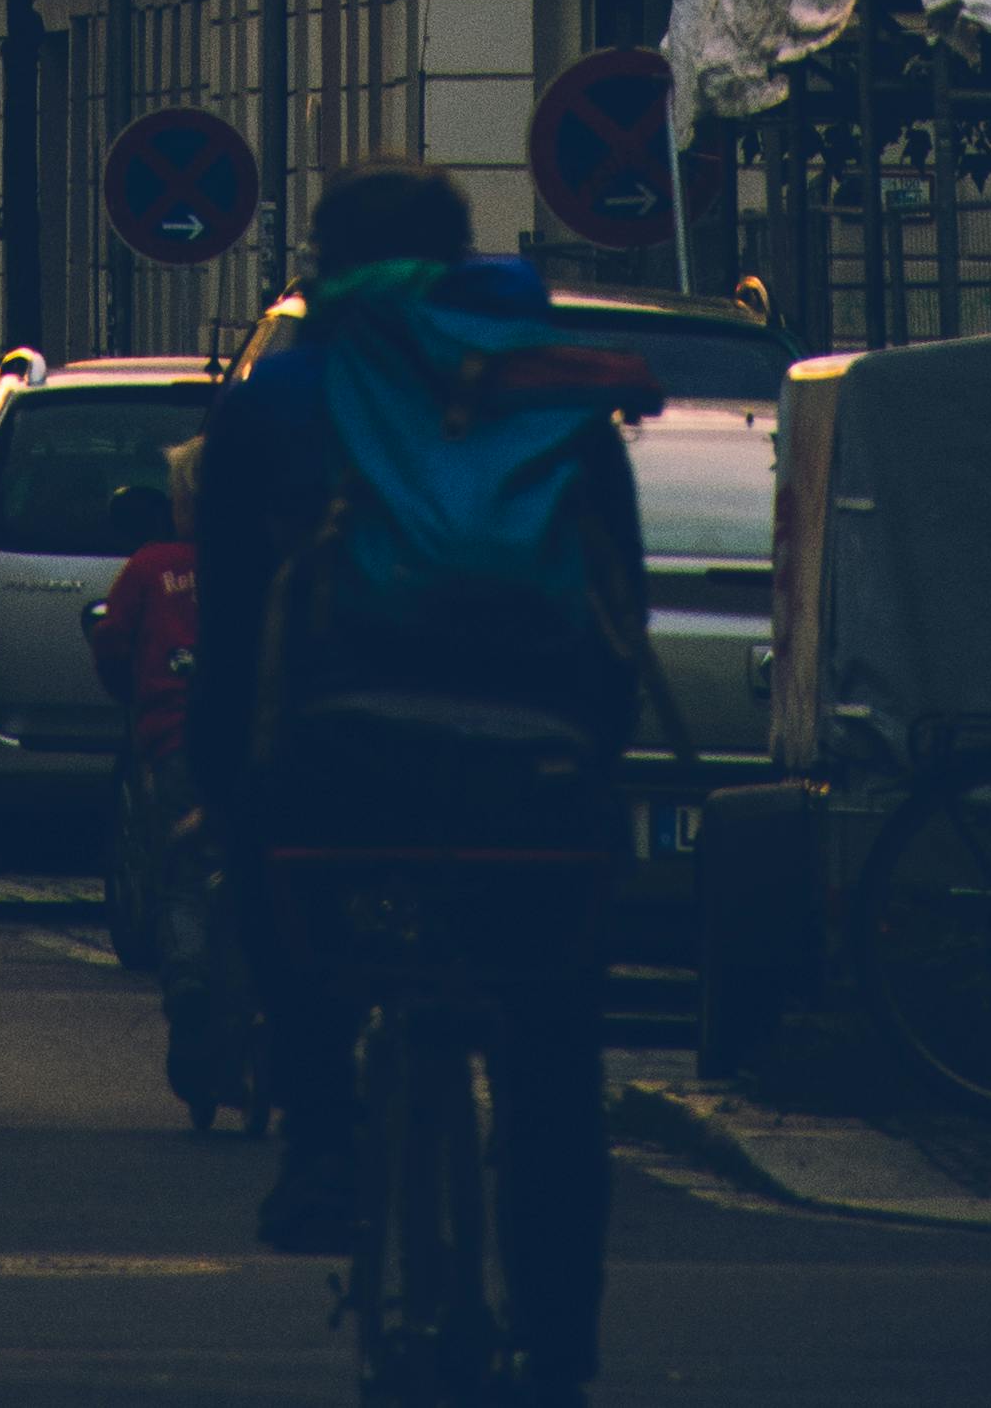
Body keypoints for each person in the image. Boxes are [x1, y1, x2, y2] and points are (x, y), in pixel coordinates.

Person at [192, 162, 657, 1406]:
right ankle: (560, 1350)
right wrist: (592, 764)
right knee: (554, 1054)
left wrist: (220, 779)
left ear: (325, 265)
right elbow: (619, 598)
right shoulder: (552, 388)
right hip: (539, 772)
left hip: (342, 771)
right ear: (462, 260)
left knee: (280, 885)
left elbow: (236, 633)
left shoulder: (282, 394)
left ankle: (327, 1140)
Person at [86, 434, 252, 1125]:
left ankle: (185, 978)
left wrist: (133, 692)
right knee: (249, 877)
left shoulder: (151, 568)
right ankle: (251, 1017)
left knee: (181, 876)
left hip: (172, 743)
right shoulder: (256, 569)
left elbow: (114, 643)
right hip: (253, 748)